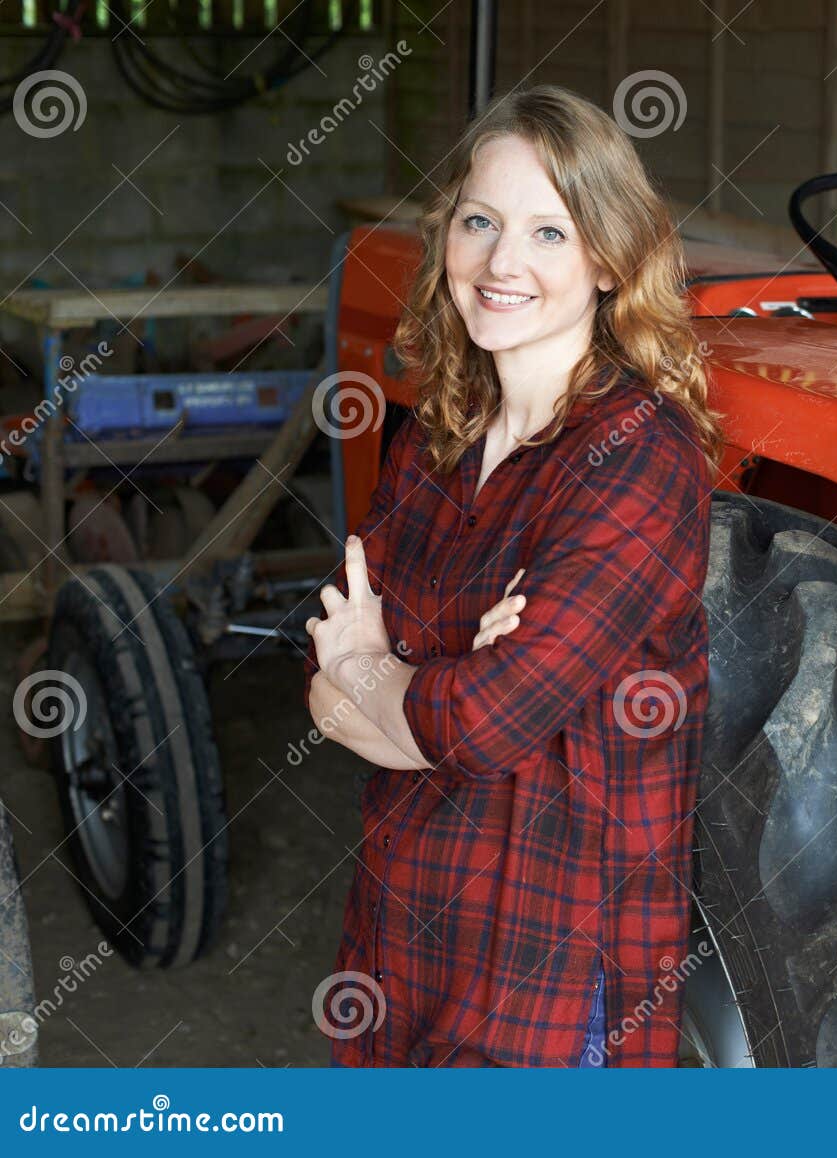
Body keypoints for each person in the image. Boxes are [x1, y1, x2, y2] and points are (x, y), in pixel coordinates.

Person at [301, 83, 722, 1067]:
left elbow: (479, 720)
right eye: (480, 221)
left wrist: (387, 671)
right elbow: (321, 693)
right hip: (402, 941)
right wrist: (421, 689)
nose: (500, 263)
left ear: (610, 261)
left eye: (548, 233)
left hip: (549, 976)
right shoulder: (430, 441)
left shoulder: (639, 462)